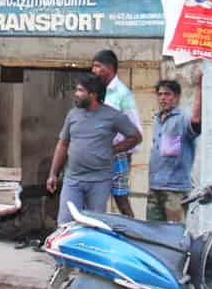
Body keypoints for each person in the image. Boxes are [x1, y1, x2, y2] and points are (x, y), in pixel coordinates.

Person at [46, 74, 141, 225]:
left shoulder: (113, 116)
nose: (76, 94)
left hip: (99, 181)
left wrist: (114, 149)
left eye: (80, 90)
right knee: (65, 224)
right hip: (73, 180)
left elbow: (135, 137)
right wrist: (53, 174)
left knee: (94, 224)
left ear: (93, 94)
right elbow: (63, 144)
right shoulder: (73, 115)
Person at [91, 49, 143, 218]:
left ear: (109, 68)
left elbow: (135, 131)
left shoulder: (122, 94)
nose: (94, 70)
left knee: (121, 200)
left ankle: (133, 235)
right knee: (95, 198)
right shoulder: (96, 92)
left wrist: (121, 153)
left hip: (116, 154)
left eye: (97, 66)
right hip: (96, 154)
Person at [147, 79, 203, 222]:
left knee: (174, 234)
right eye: (160, 94)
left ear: (177, 97)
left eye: (167, 94)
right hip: (155, 187)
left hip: (175, 189)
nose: (162, 98)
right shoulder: (157, 119)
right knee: (152, 232)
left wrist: (200, 89)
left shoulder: (183, 118)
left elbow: (196, 122)